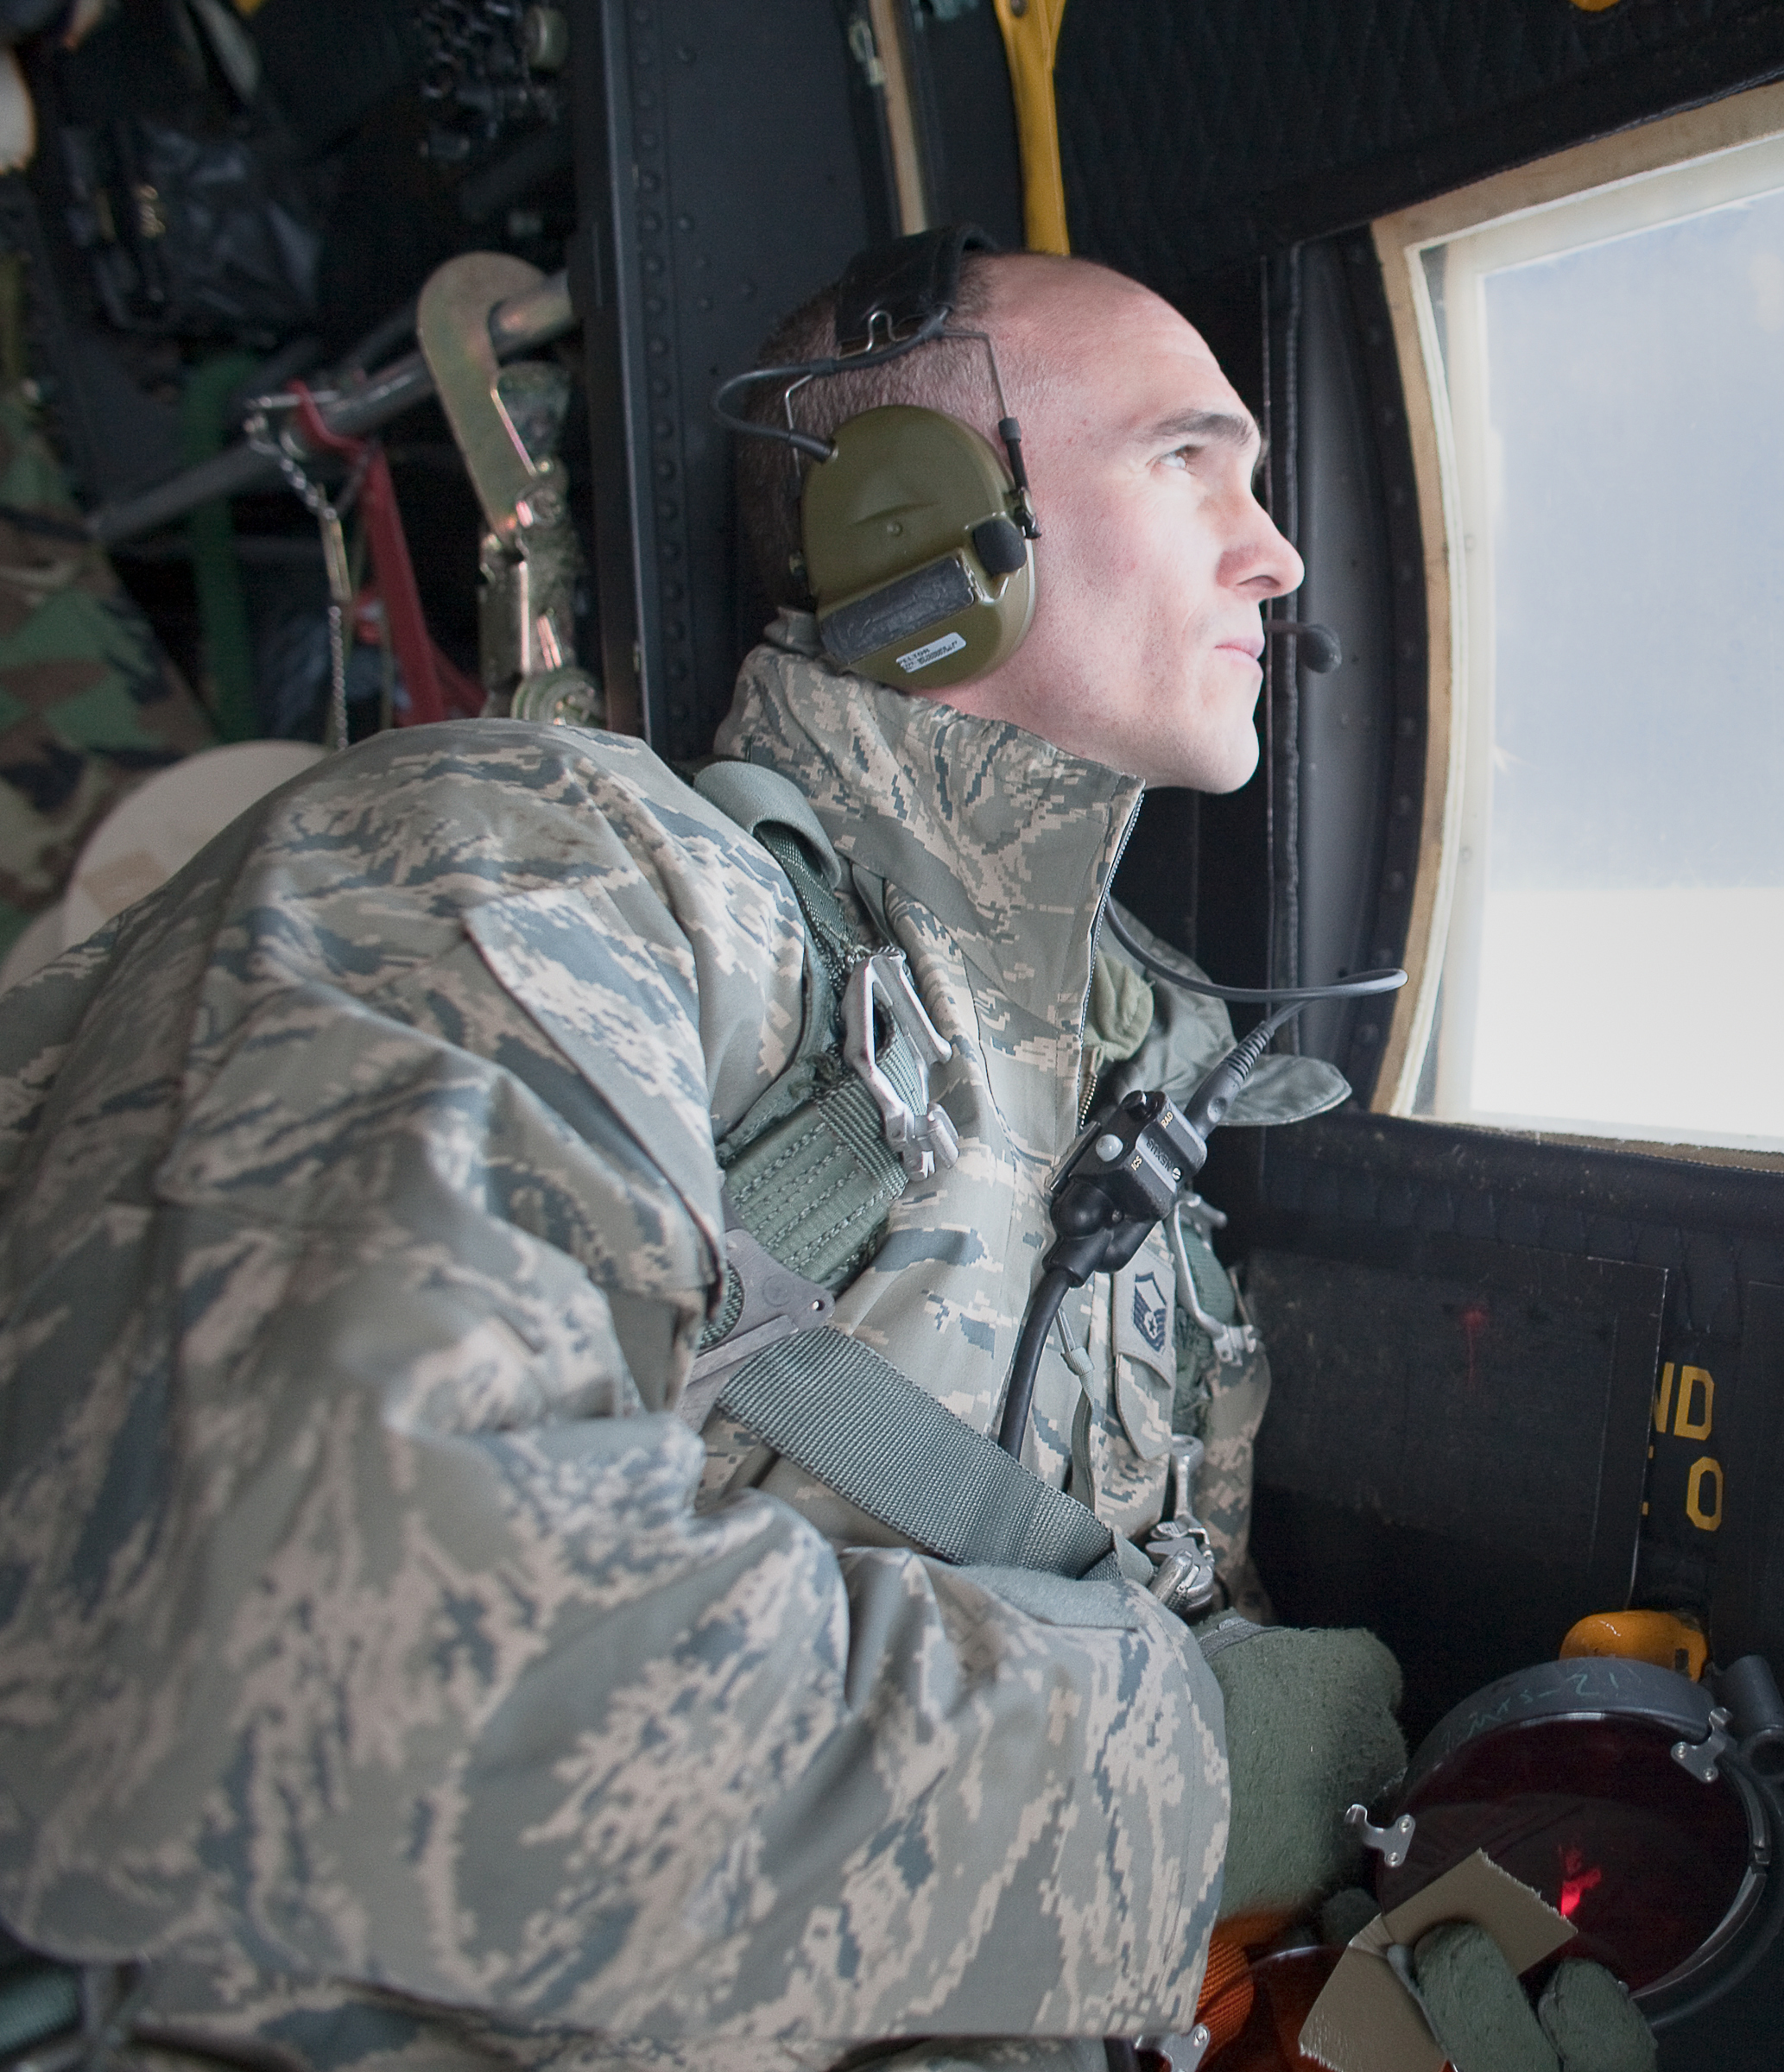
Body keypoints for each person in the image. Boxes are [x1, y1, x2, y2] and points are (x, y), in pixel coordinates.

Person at [0, 240, 1408, 2072]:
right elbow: (308, 1664)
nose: (1278, 551)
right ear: (923, 520)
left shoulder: (1143, 1147)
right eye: (1189, 459)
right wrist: (1181, 1785)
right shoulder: (539, 876)